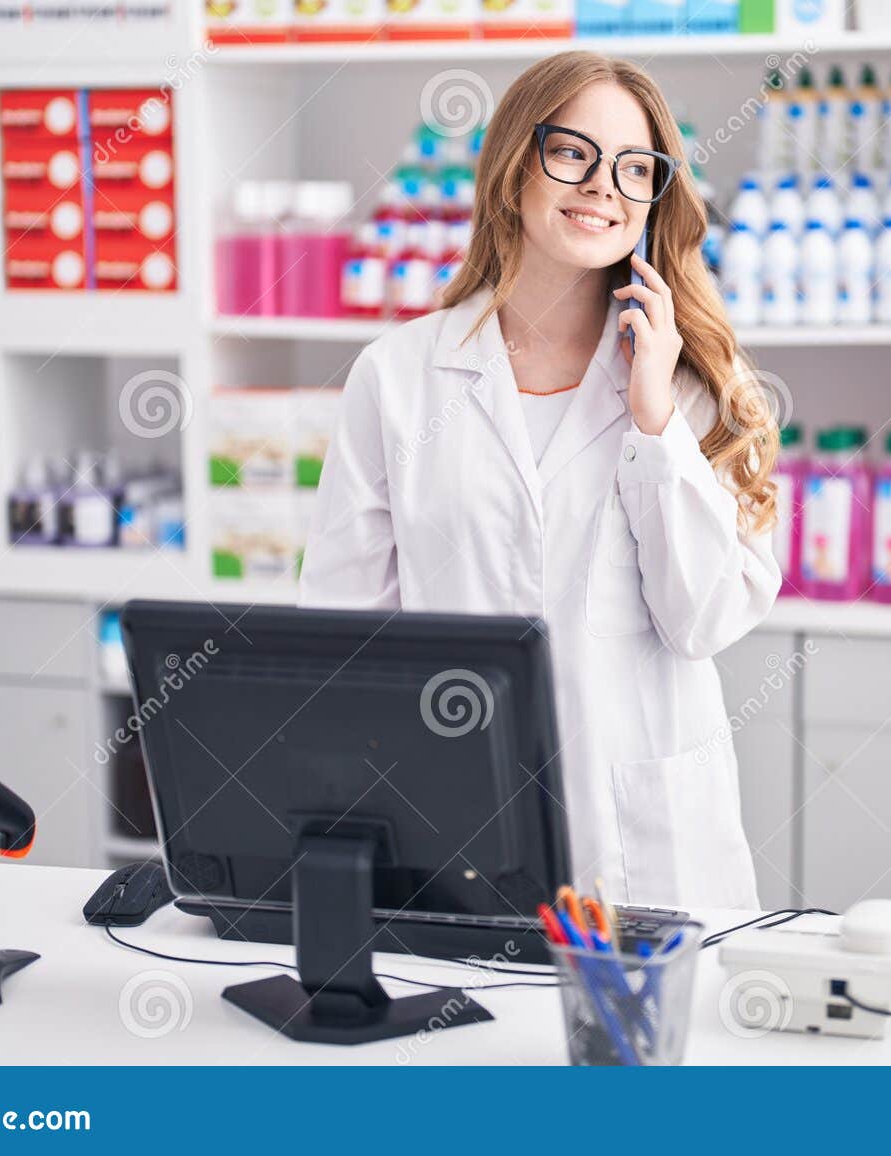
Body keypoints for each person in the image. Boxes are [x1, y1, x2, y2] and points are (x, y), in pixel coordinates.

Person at [300, 51, 781, 909]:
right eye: (573, 153)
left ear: (656, 197)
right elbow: (346, 642)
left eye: (635, 168)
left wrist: (653, 423)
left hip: (652, 846)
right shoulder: (398, 376)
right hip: (457, 819)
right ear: (514, 166)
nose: (602, 186)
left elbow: (703, 618)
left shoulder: (695, 379)